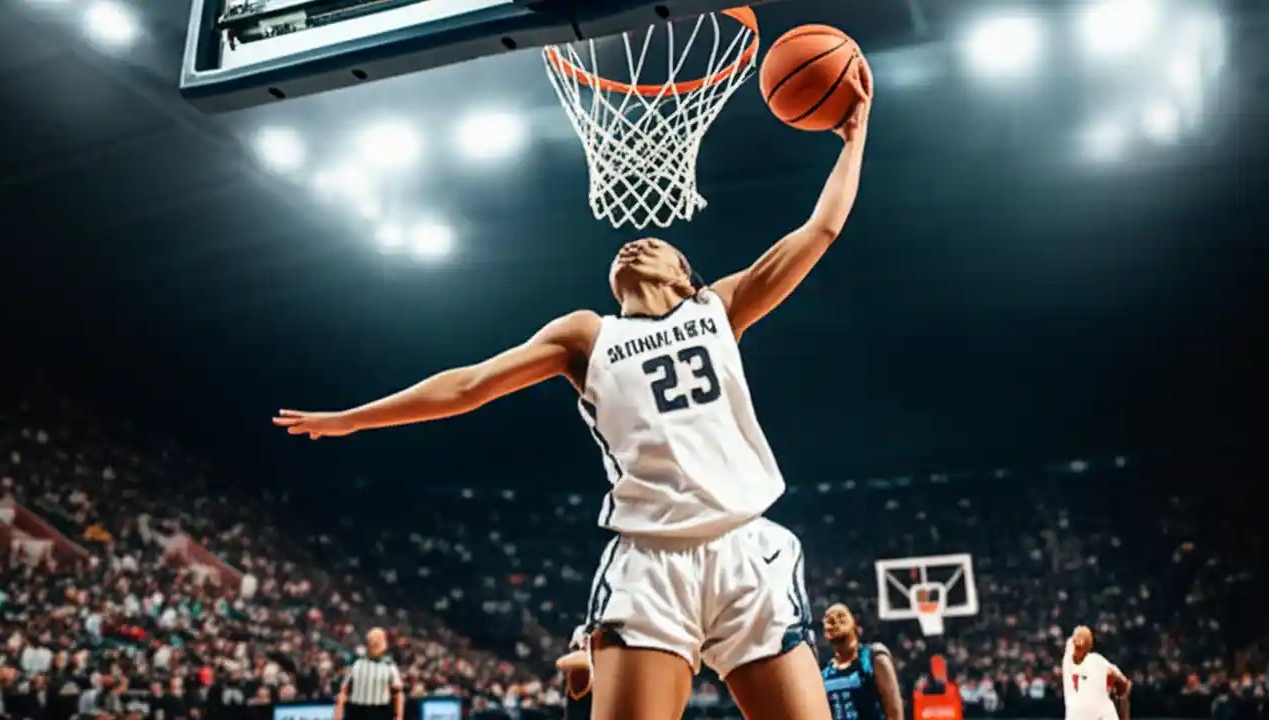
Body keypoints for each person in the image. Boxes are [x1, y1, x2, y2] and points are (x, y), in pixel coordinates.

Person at [275, 59, 873, 720]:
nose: (635, 242)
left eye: (658, 243)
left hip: (747, 550)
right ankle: (589, 677)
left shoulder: (718, 309)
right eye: (626, 245)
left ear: (688, 278)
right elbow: (468, 386)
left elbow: (818, 230)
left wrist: (854, 138)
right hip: (651, 562)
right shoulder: (585, 336)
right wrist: (356, 418)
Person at [820, 604, 903, 720]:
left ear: (854, 624)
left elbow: (895, 712)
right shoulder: (824, 675)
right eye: (829, 620)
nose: (835, 621)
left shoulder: (873, 657)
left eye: (840, 616)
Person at [1062, 626, 1131, 720]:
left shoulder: (1067, 661)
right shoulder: (1098, 662)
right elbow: (1124, 684)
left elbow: (1073, 644)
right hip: (1099, 713)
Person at [336, 629, 403, 720]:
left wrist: (399, 717)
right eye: (373, 642)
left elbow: (398, 694)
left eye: (378, 642)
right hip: (358, 711)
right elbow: (343, 691)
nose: (375, 645)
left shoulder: (389, 665)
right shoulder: (357, 664)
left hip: (379, 711)